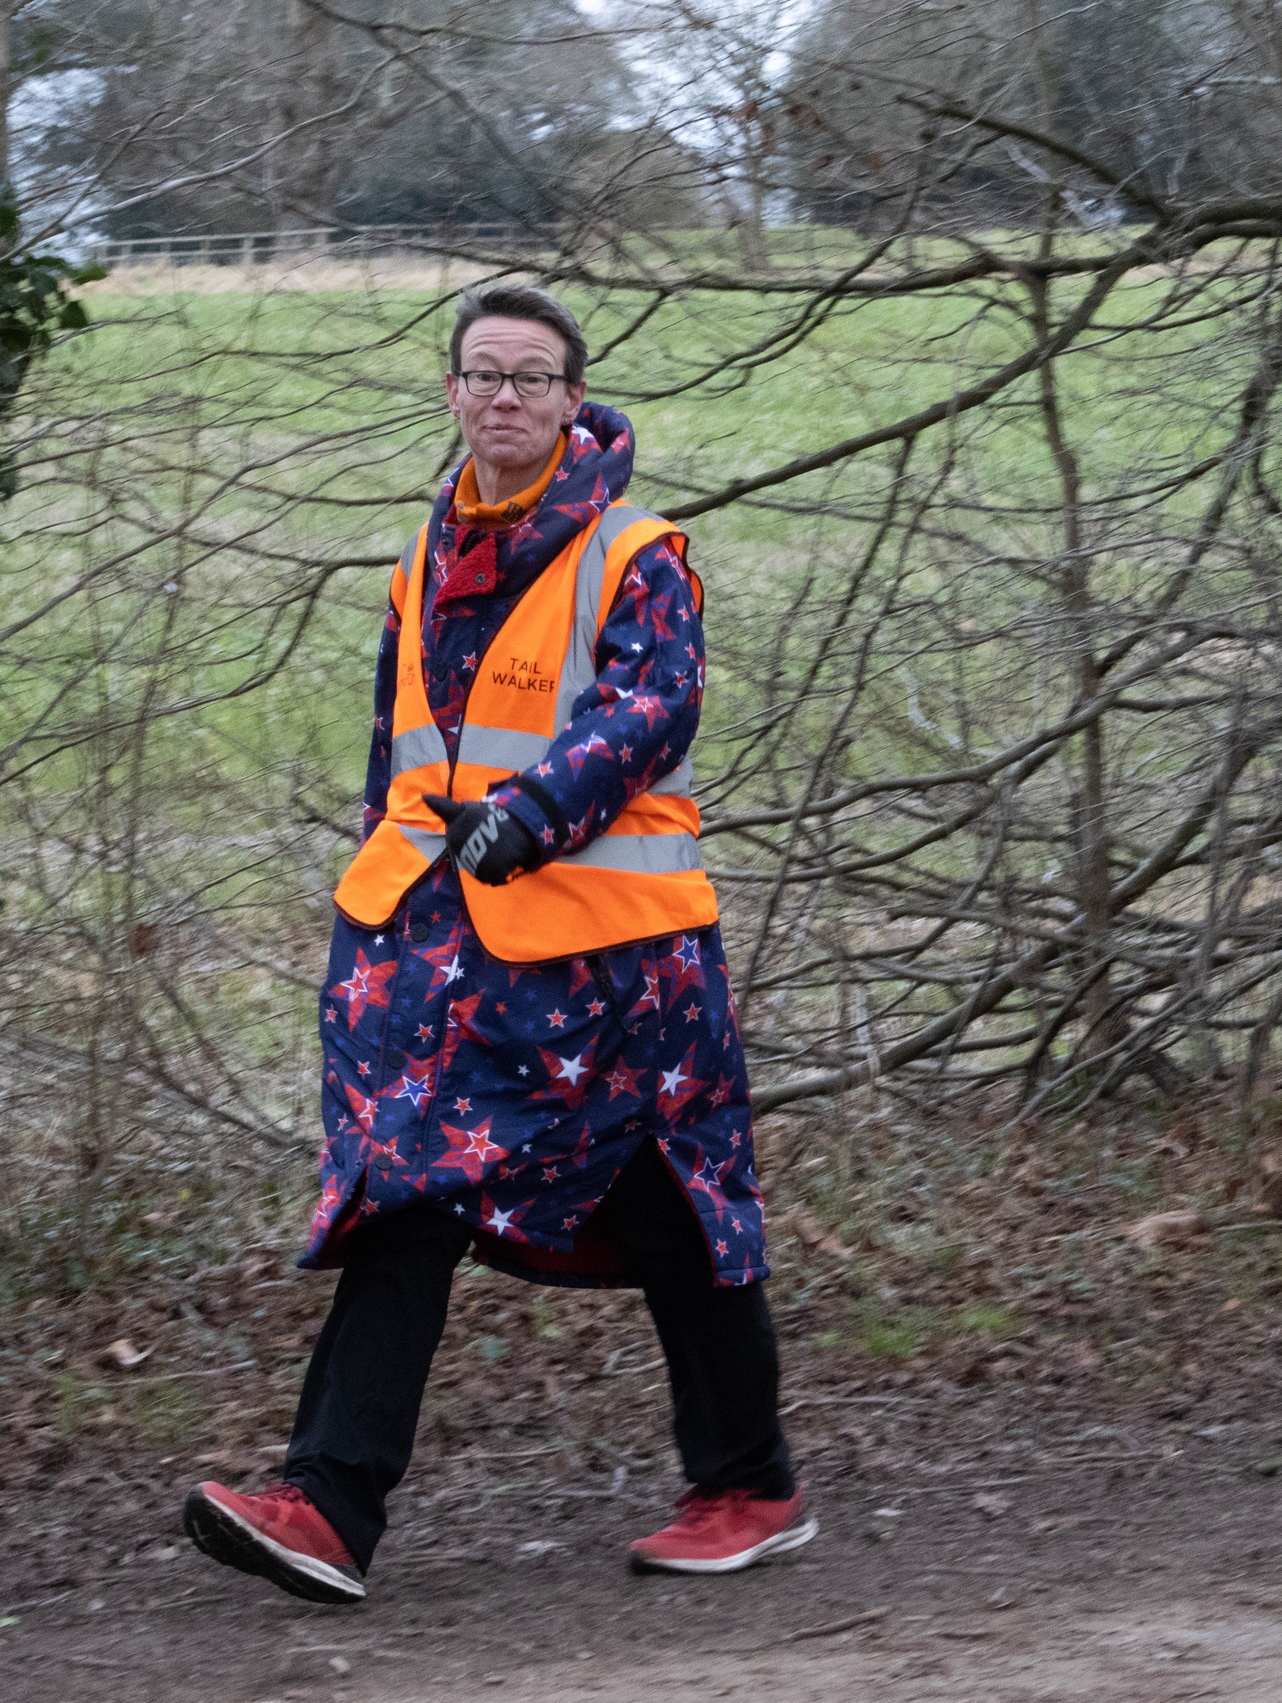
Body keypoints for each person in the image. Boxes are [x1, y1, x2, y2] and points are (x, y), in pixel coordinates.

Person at [181, 284, 812, 1604]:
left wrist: (533, 812)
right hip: (452, 950)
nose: (506, 395)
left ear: (574, 400)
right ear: (453, 393)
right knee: (411, 1189)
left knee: (673, 1209)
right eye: (483, 373)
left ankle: (748, 1488)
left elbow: (654, 708)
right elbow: (398, 759)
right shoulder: (422, 558)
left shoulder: (638, 551)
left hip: (619, 963)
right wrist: (383, 908)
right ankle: (329, 1504)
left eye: (532, 375)